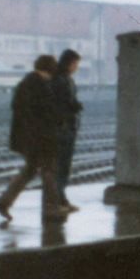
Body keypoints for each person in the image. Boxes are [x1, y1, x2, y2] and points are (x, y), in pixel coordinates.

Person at [0, 54, 67, 223]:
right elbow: (45, 113)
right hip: (40, 137)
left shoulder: (25, 84)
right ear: (50, 70)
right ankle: (51, 207)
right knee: (49, 170)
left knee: (30, 170)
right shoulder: (39, 86)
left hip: (28, 137)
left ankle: (3, 202)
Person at [51, 49, 83, 211]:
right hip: (62, 128)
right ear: (69, 63)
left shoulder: (65, 79)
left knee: (64, 166)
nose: (76, 67)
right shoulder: (60, 80)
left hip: (68, 127)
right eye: (75, 64)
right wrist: (75, 106)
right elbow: (62, 104)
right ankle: (58, 200)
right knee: (61, 166)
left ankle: (61, 199)